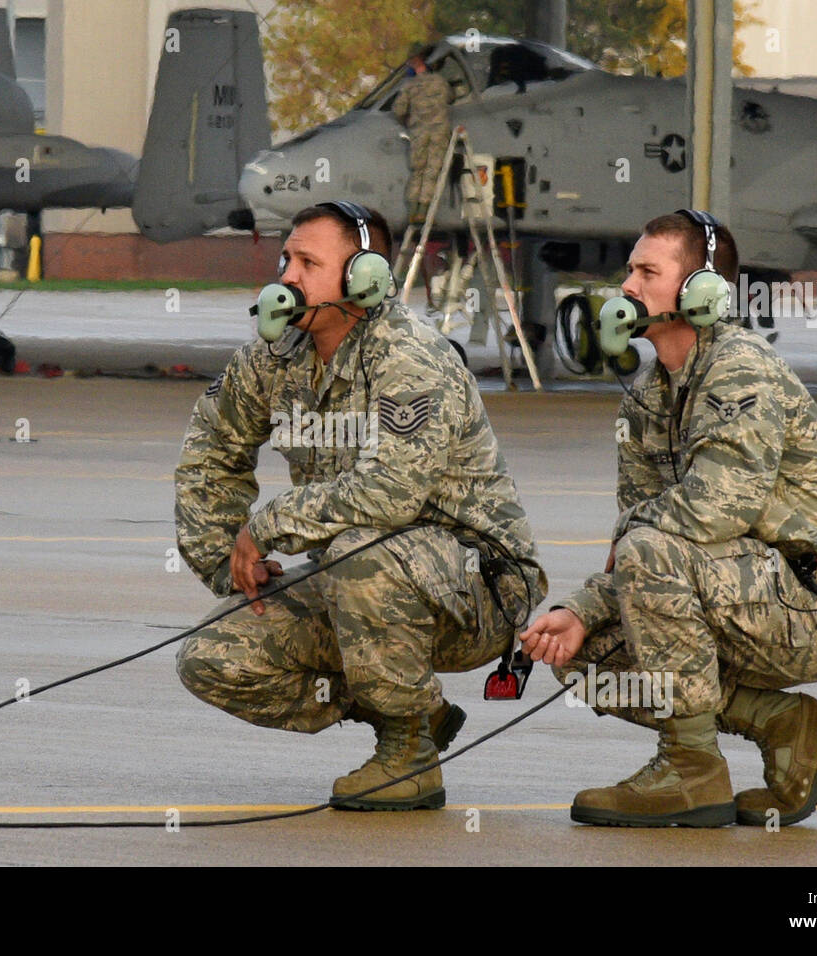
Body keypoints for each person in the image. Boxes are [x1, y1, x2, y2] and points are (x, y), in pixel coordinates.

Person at [174, 200, 544, 810]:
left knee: (359, 551)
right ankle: (413, 710)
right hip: (358, 583)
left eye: (308, 262)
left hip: (477, 592)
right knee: (213, 657)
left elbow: (391, 493)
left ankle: (410, 756)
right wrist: (228, 562)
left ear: (363, 278)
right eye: (286, 258)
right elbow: (210, 452)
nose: (287, 275)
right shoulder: (275, 356)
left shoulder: (410, 357)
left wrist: (268, 526)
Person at [520, 210, 817, 828]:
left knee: (646, 552)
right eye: (629, 270)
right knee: (584, 652)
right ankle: (788, 726)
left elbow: (713, 510)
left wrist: (626, 552)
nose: (627, 287)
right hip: (737, 593)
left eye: (646, 272)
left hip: (815, 600)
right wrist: (578, 611)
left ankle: (691, 769)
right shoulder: (646, 397)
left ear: (700, 292)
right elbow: (647, 542)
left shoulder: (740, 367)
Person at [392, 53, 453, 224]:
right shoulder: (440, 82)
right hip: (439, 132)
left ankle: (412, 211)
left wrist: (410, 122)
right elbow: (451, 97)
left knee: (417, 170)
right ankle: (424, 211)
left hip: (418, 132)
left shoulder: (409, 86)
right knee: (432, 170)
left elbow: (398, 110)